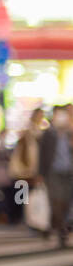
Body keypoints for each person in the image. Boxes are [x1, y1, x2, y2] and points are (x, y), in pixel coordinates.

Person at [39, 105, 73, 248]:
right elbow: (42, 155)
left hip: (69, 172)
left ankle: (62, 226)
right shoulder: (48, 134)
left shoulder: (70, 133)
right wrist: (40, 174)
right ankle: (61, 230)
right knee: (56, 201)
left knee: (66, 201)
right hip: (52, 172)